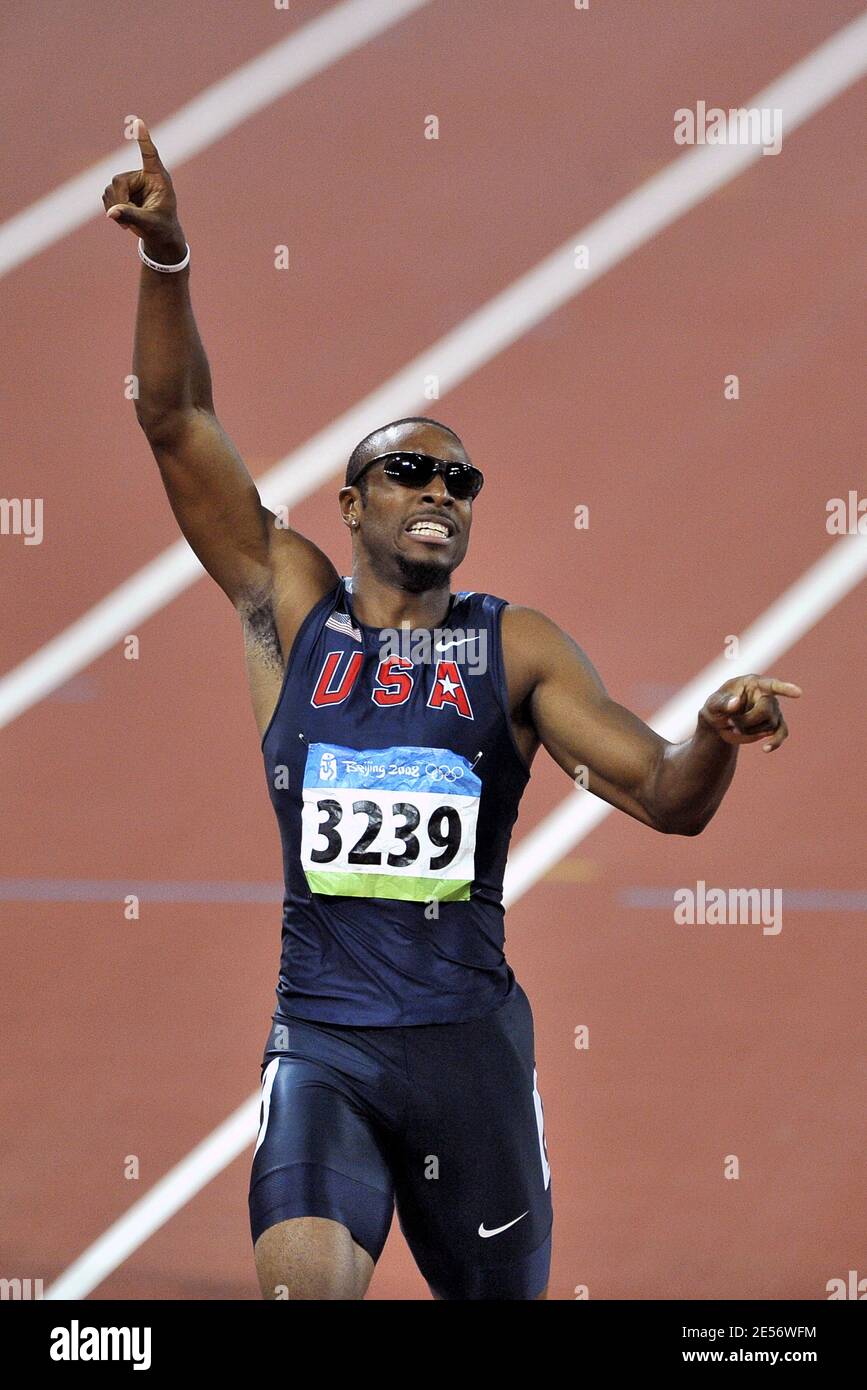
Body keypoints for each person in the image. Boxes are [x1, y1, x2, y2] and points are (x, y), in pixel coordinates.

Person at [104, 119, 802, 1301]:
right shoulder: (290, 608)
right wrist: (166, 257)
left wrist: (715, 739)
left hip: (469, 1060)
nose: (441, 491)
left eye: (461, 481)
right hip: (325, 1044)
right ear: (351, 503)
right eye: (411, 472)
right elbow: (175, 423)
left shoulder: (512, 648)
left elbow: (665, 798)